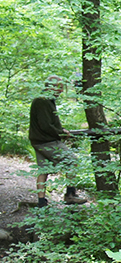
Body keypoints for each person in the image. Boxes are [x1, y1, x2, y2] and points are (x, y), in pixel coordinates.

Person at [28, 75, 87, 207]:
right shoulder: (42, 101)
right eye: (59, 87)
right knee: (72, 161)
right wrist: (61, 133)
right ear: (51, 86)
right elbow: (45, 125)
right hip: (47, 141)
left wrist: (62, 129)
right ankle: (70, 195)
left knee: (43, 170)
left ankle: (41, 202)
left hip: (39, 141)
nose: (61, 90)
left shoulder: (45, 100)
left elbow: (47, 123)